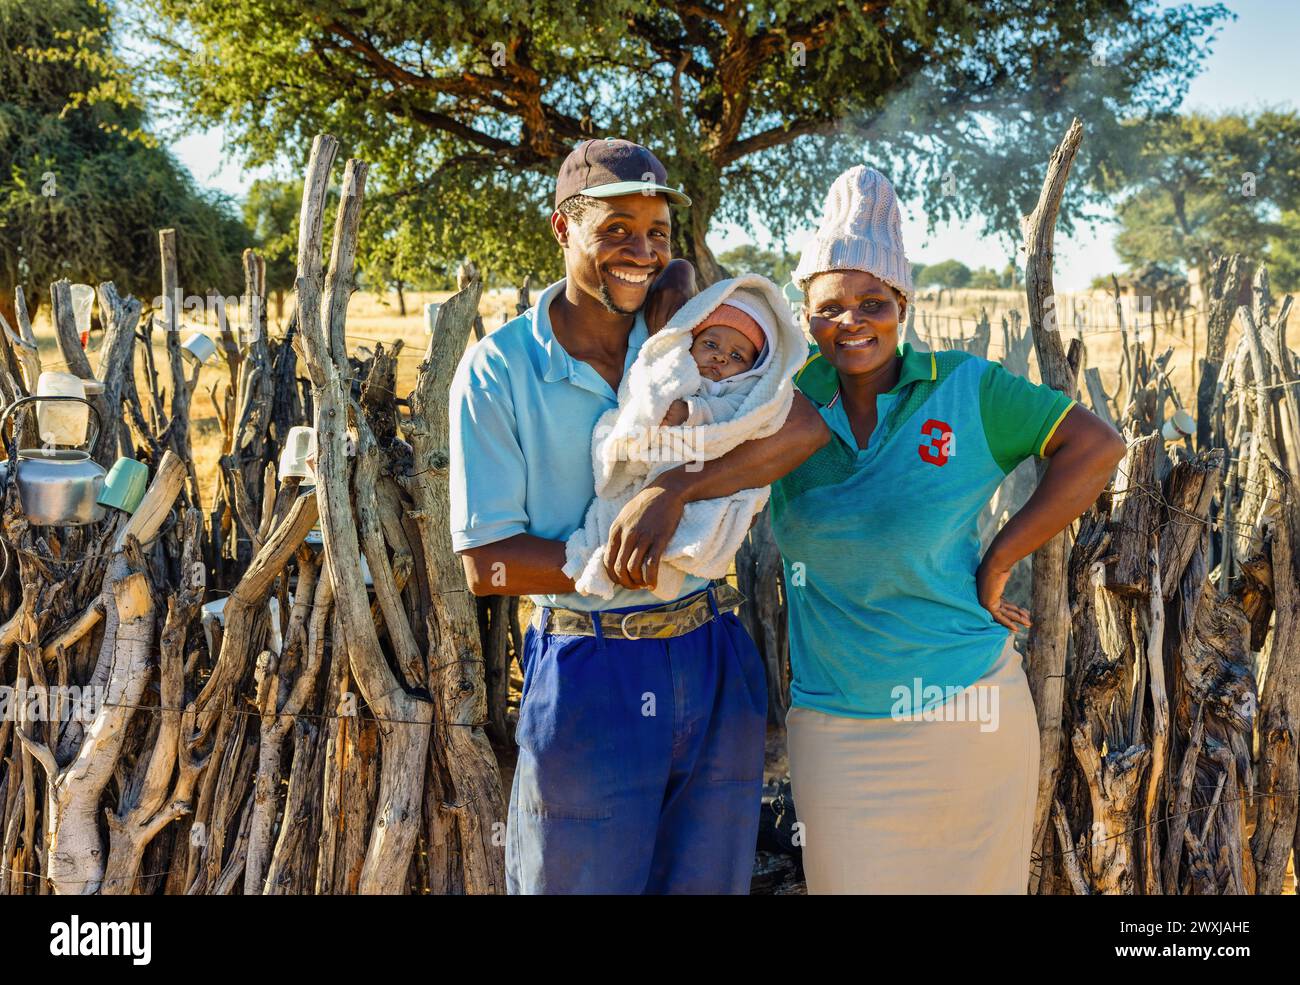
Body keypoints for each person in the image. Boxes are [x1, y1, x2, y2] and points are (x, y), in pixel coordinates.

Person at [448, 138, 823, 894]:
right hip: (593, 667)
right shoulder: (500, 369)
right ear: (563, 228)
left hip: (713, 651)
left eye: (656, 233)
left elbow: (802, 426)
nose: (641, 250)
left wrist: (672, 491)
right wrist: (610, 555)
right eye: (616, 228)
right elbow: (485, 564)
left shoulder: (689, 333)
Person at [763, 164, 1128, 893]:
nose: (853, 321)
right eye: (831, 307)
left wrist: (1001, 556)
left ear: (902, 304)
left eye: (874, 302)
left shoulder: (965, 388)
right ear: (806, 316)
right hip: (836, 727)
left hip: (970, 715)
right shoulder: (781, 401)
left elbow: (1097, 446)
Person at [562, 274, 807, 602]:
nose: (721, 357)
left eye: (738, 356)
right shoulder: (681, 370)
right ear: (692, 339)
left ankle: (662, 560)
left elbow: (733, 419)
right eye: (711, 344)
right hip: (653, 463)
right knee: (613, 510)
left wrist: (689, 413)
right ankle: (594, 556)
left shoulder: (745, 391)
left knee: (696, 520)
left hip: (704, 467)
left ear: (755, 367)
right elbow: (645, 391)